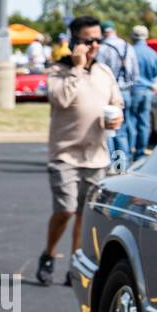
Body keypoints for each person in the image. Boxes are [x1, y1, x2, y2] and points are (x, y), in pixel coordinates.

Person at [37, 16, 123, 286]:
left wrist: (117, 117)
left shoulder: (104, 72)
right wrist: (76, 68)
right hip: (65, 155)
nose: (95, 45)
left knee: (84, 214)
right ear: (74, 41)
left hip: (97, 156)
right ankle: (49, 254)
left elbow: (117, 103)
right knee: (66, 209)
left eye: (98, 40)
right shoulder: (57, 71)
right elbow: (61, 100)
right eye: (89, 40)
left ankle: (75, 264)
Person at [96, 21, 136, 165]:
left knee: (109, 130)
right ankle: (123, 164)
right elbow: (135, 73)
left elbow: (98, 72)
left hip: (109, 92)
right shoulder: (128, 47)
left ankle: (112, 163)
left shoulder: (102, 48)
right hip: (126, 91)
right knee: (123, 129)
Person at [129, 25, 157, 159]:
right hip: (147, 91)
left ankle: (128, 152)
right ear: (146, 36)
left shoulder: (130, 51)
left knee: (130, 122)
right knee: (144, 123)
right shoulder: (152, 53)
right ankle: (140, 153)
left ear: (133, 36)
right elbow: (155, 72)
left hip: (132, 90)